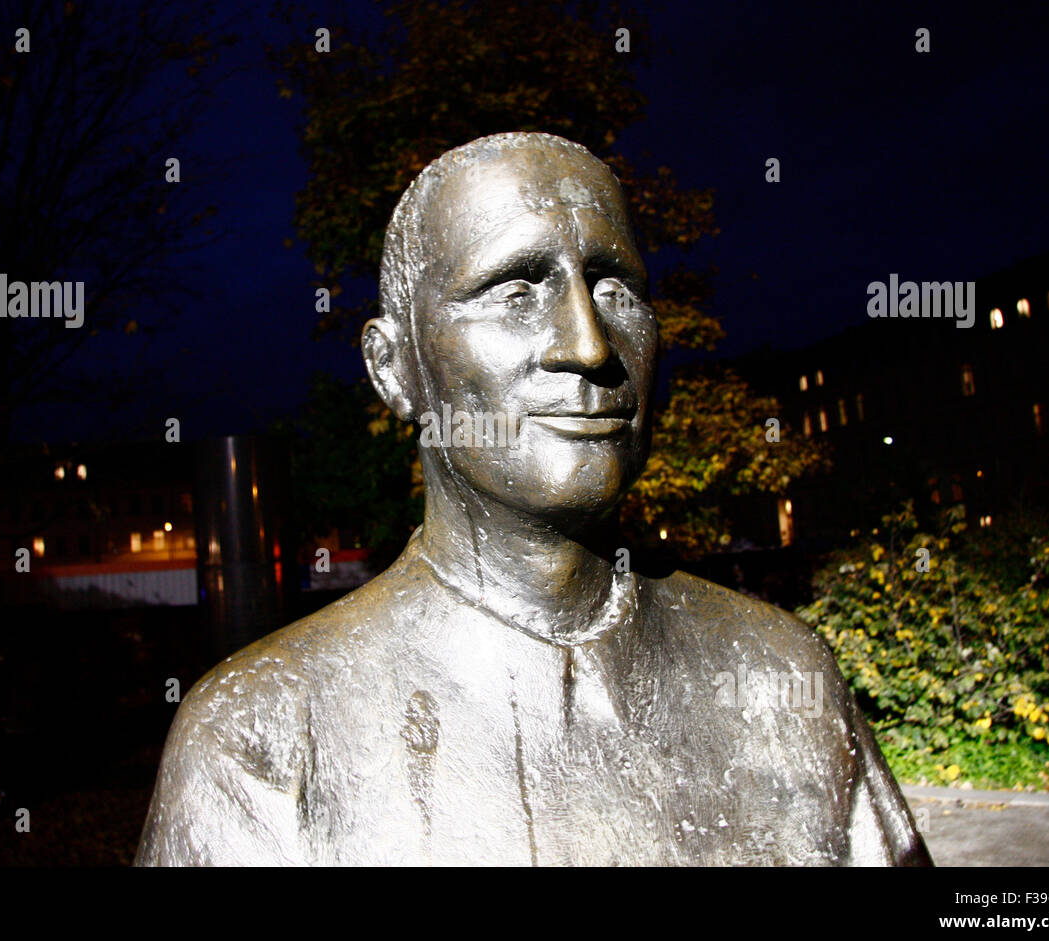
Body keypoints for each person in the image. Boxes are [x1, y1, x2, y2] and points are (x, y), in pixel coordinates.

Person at [135, 132, 931, 865]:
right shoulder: (260, 736)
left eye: (617, 290)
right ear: (394, 370)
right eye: (515, 293)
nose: (588, 346)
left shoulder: (782, 673)